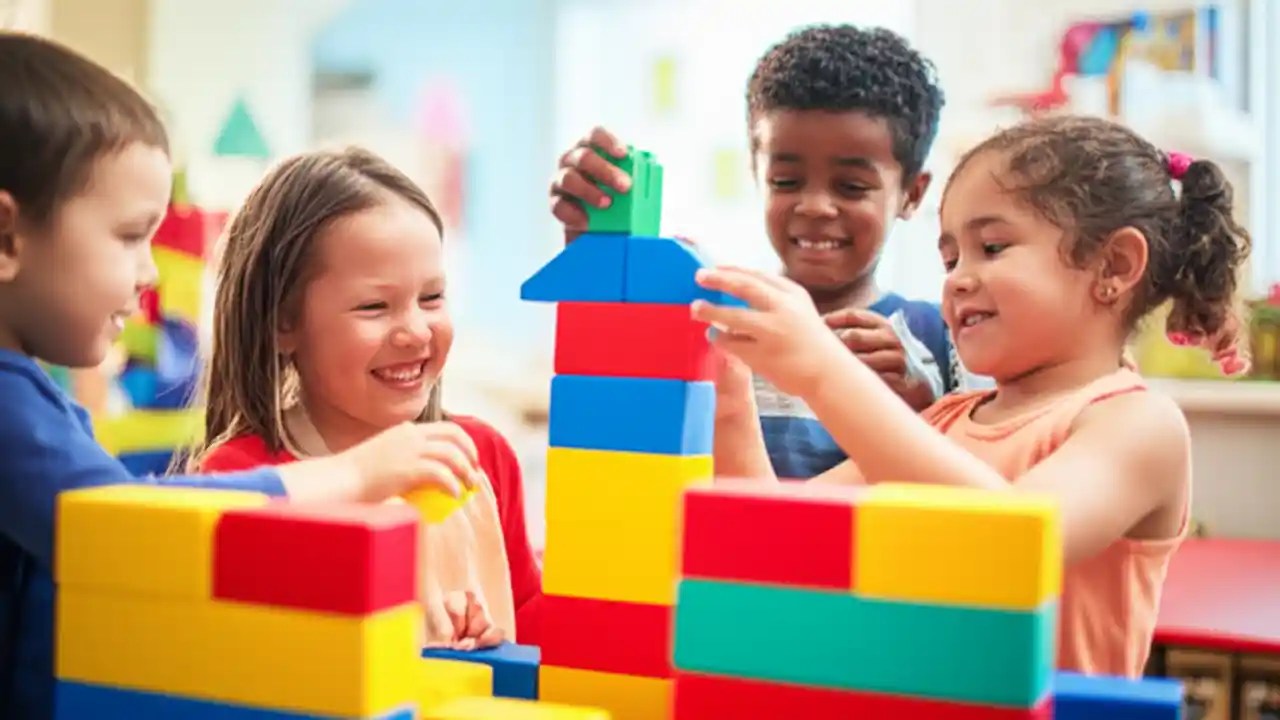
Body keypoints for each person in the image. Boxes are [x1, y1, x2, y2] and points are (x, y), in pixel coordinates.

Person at [0, 33, 478, 720]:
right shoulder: (7, 405)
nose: (149, 273)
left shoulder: (29, 396)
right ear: (8, 238)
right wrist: (355, 475)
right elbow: (119, 533)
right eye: (130, 237)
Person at [694, 114, 1251, 678]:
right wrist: (729, 391)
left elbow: (1012, 546)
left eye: (992, 246)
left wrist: (825, 373)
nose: (958, 279)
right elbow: (778, 538)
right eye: (951, 258)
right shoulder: (945, 421)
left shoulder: (1136, 422)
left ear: (1114, 265)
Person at [549, 24, 960, 480]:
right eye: (785, 181)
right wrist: (598, 255)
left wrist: (921, 409)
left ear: (912, 194)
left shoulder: (937, 336)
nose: (815, 206)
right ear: (755, 170)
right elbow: (619, 411)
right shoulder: (713, 313)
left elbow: (965, 477)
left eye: (852, 187)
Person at [189, 147, 543, 650]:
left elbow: (531, 623)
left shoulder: (482, 454)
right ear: (283, 322)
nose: (416, 331)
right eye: (375, 306)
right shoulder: (242, 476)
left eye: (432, 298)